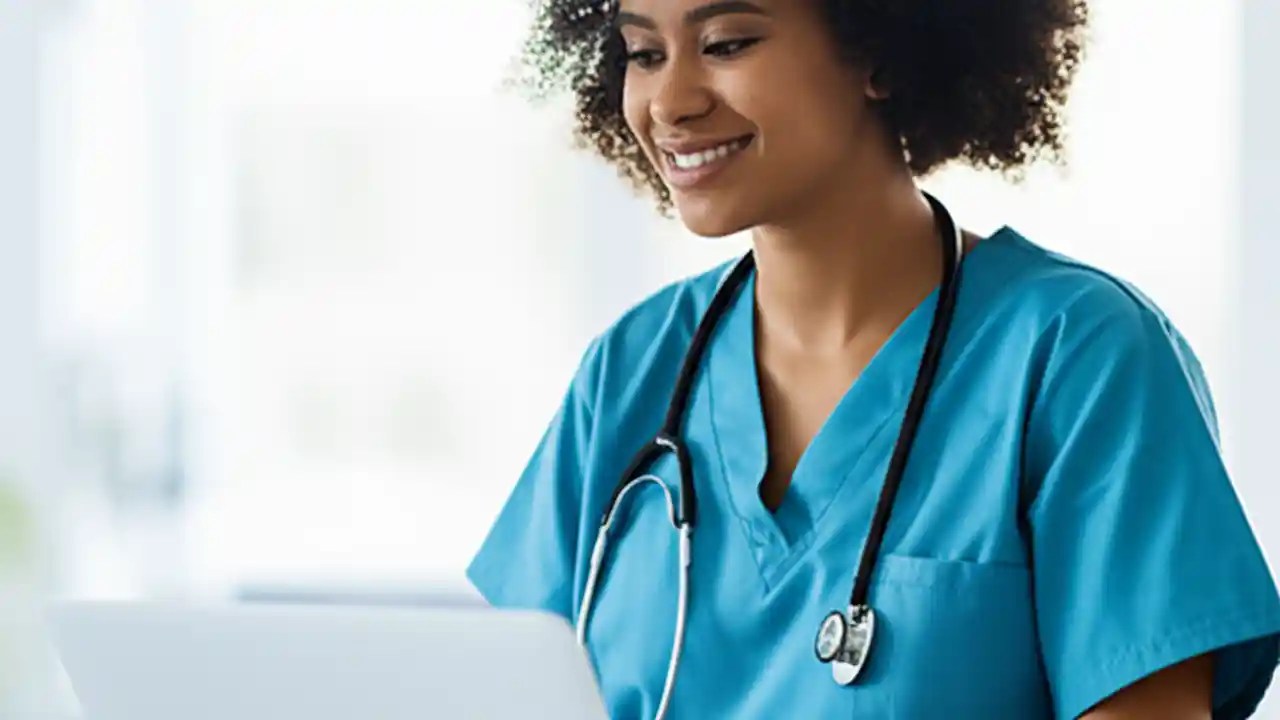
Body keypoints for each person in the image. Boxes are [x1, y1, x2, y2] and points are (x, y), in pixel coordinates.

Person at [466, 0, 1280, 717]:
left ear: (881, 52)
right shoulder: (632, 370)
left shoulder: (1079, 356)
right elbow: (500, 685)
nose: (671, 102)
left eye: (727, 42)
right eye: (645, 53)